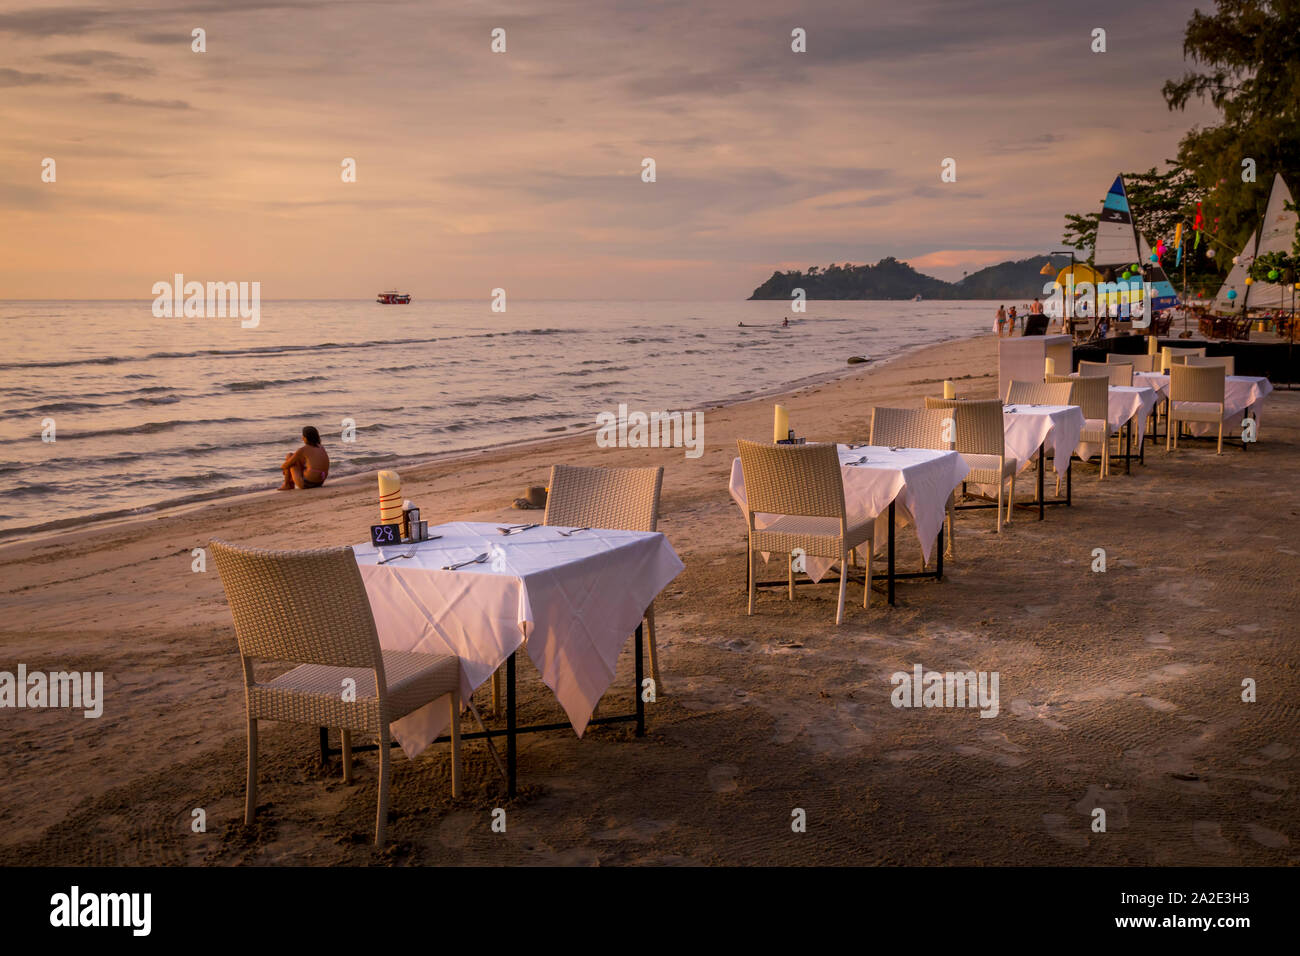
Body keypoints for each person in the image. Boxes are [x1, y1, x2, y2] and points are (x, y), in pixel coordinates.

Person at [279, 425, 329, 490]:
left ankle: (286, 484)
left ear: (306, 438)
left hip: (306, 484)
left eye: (303, 436)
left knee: (289, 456)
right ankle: (289, 484)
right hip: (320, 482)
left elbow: (285, 466)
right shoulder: (321, 447)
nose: (302, 438)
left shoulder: (303, 450)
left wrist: (285, 470)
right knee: (299, 460)